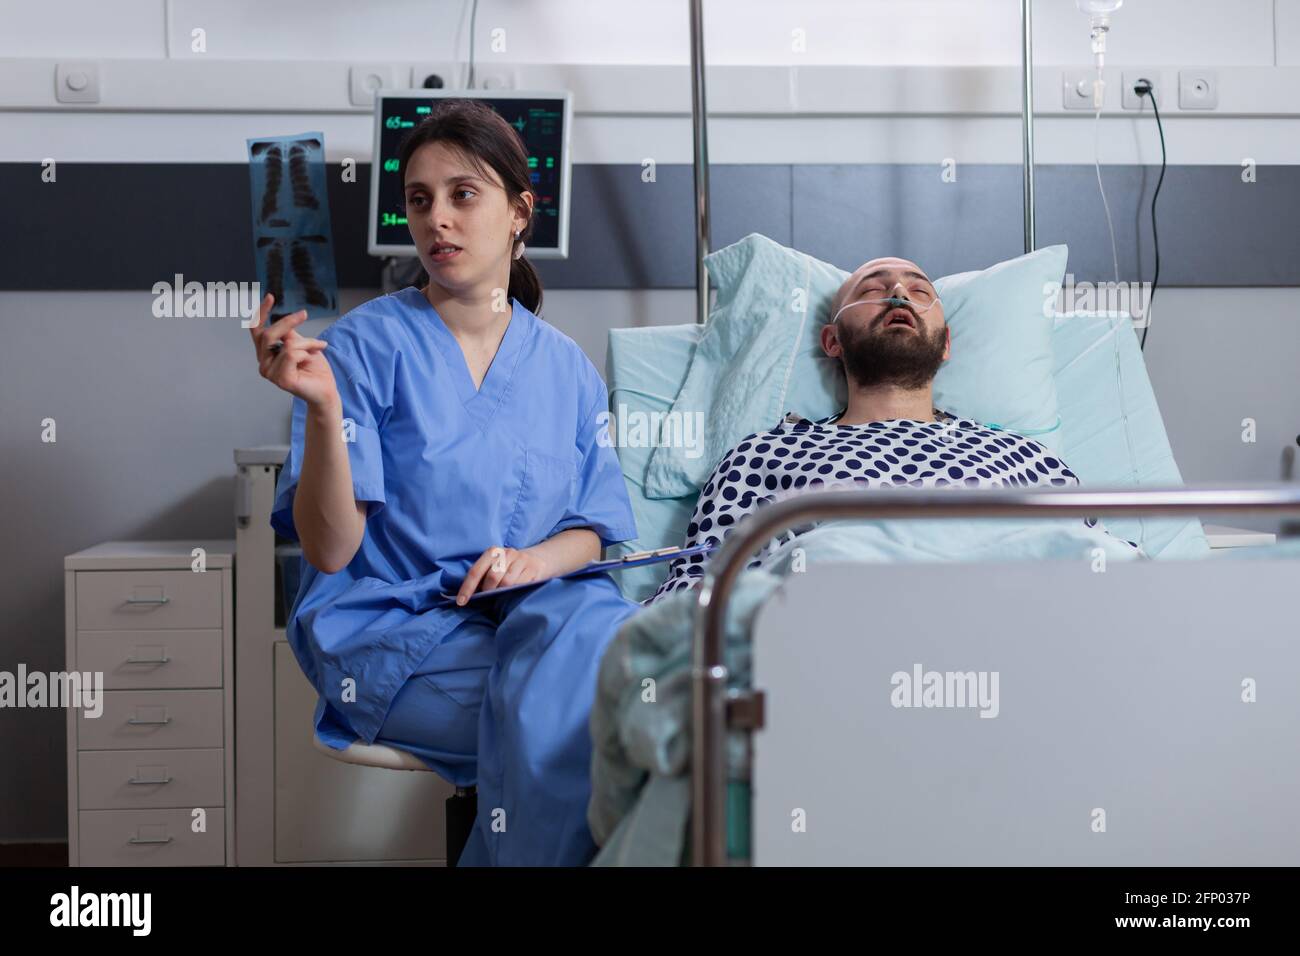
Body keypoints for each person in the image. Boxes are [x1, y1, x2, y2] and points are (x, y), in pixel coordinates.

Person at [250, 99, 641, 865]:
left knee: (601, 674)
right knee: (584, 726)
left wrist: (534, 562)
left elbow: (592, 529)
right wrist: (326, 412)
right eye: (419, 200)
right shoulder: (360, 350)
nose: (438, 221)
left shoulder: (567, 368)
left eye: (464, 195)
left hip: (529, 616)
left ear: (520, 213)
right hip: (392, 629)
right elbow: (330, 552)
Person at [648, 256, 1141, 603]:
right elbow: (696, 590)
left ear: (945, 345)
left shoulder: (1025, 456)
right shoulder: (763, 456)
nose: (899, 293)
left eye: (919, 290)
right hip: (841, 629)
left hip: (1013, 622)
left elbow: (1100, 563)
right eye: (871, 290)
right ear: (832, 341)